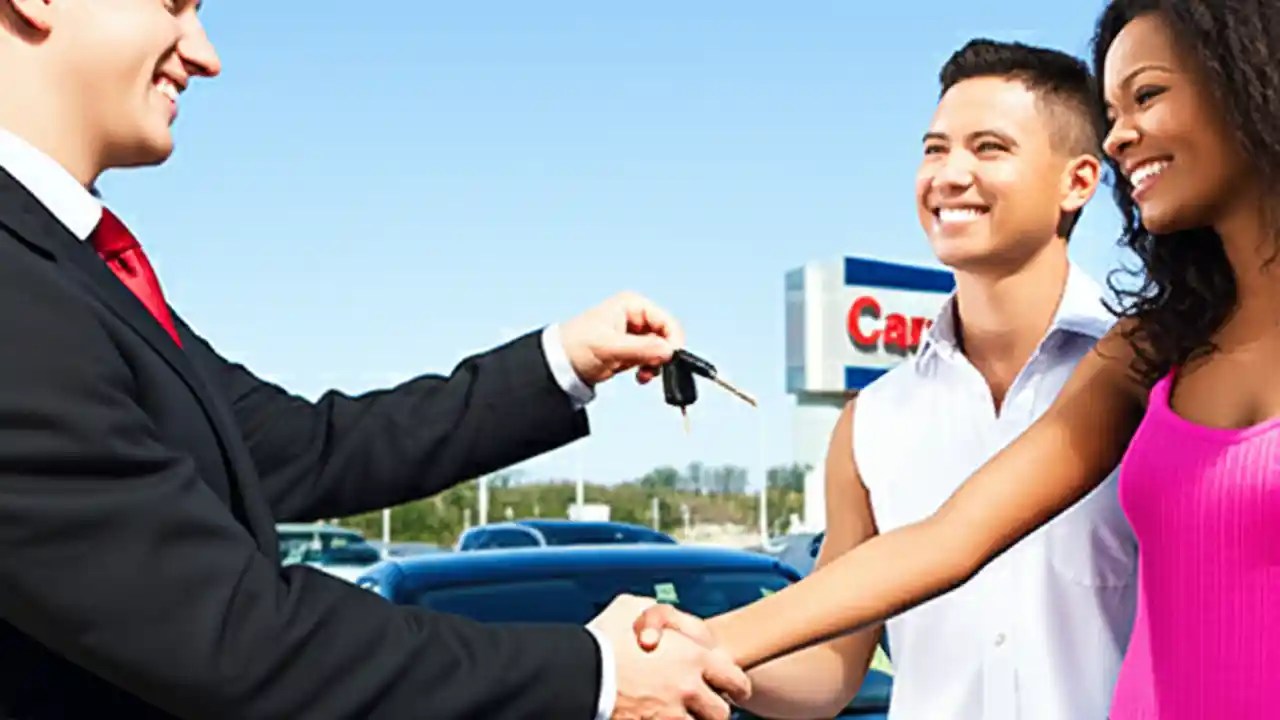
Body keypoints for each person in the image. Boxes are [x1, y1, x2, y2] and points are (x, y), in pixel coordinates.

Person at [0, 1, 748, 719]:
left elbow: (307, 447)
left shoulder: (74, 276)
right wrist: (594, 674)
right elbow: (236, 635)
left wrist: (563, 361)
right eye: (172, 4)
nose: (207, 55)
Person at [637, 1, 1280, 716]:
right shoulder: (1144, 351)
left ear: (1250, 80)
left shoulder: (1134, 351)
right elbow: (946, 542)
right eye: (934, 148)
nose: (1123, 132)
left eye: (1147, 96)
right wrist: (699, 642)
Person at [709, 38, 1137, 720]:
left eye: (989, 147)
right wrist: (701, 659)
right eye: (935, 149)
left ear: (1078, 181)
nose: (949, 174)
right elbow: (831, 667)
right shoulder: (872, 421)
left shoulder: (1157, 380)